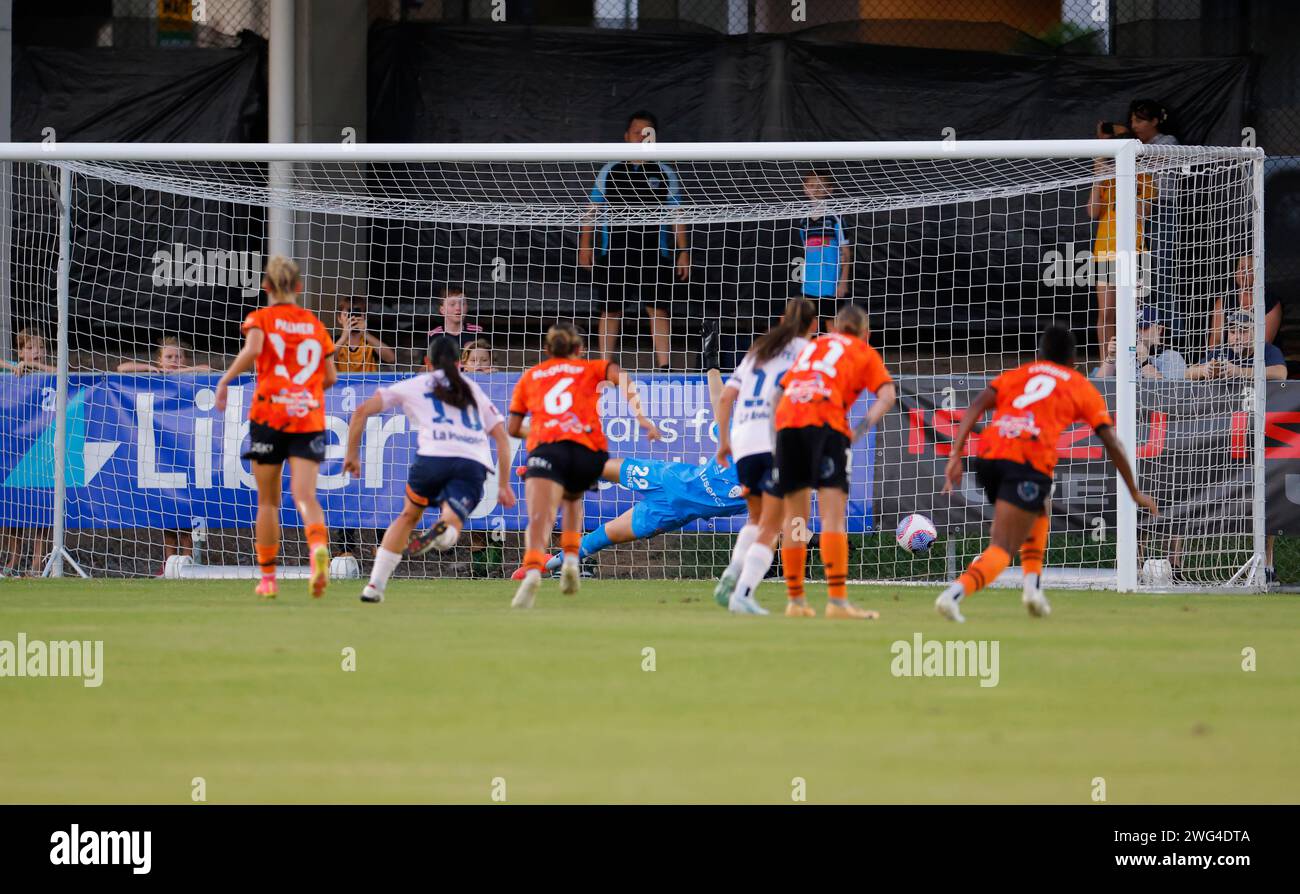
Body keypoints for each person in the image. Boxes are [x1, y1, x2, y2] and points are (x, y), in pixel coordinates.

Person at [936, 322, 1158, 623]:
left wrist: (955, 454)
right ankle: (952, 595)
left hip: (987, 457)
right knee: (1003, 547)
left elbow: (976, 405)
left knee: (1039, 509)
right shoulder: (1078, 384)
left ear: (1040, 355)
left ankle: (1032, 589)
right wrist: (1133, 491)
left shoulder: (1021, 373)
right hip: (1025, 462)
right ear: (1073, 360)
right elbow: (1112, 442)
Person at [507, 356, 748, 583]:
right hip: (665, 477)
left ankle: (546, 564)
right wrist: (712, 363)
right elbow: (719, 403)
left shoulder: (763, 488)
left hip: (668, 513)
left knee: (602, 537)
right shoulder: (739, 444)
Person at [343, 335, 515, 603]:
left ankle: (374, 586)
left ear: (427, 362)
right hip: (469, 463)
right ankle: (443, 530)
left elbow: (360, 412)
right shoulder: (472, 388)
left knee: (407, 517)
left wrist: (352, 454)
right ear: (459, 363)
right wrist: (503, 484)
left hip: (432, 460)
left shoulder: (415, 384)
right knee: (451, 521)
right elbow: (502, 438)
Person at [506, 322, 659, 608]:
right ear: (579, 349)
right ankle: (570, 559)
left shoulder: (531, 376)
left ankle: (533, 570)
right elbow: (621, 376)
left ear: (547, 350)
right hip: (586, 450)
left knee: (540, 515)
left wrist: (541, 431)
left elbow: (513, 427)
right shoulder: (589, 368)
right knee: (573, 502)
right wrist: (641, 418)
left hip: (547, 448)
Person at [214, 256, 338, 599]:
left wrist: (225, 380)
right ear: (298, 286)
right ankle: (317, 549)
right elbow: (330, 376)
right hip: (307, 418)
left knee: (268, 502)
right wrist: (303, 392)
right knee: (306, 496)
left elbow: (253, 349)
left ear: (266, 286)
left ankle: (268, 579)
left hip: (269, 417)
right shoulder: (314, 325)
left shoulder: (262, 318)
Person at [773, 303, 896, 619]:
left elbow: (779, 392)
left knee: (795, 518)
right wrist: (860, 429)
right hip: (826, 426)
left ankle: (795, 601)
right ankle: (837, 602)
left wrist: (778, 433)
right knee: (832, 518)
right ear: (865, 333)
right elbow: (887, 395)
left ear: (834, 328)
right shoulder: (863, 351)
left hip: (788, 424)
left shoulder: (814, 346)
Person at [714, 297, 819, 614]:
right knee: (775, 525)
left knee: (757, 519)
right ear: (814, 325)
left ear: (783, 319)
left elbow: (726, 397)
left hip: (744, 441)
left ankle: (733, 573)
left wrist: (723, 441)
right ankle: (743, 593)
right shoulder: (809, 352)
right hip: (776, 440)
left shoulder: (759, 349)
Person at [579, 111, 690, 370]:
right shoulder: (611, 170)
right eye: (636, 132)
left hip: (654, 251)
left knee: (657, 308)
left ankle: (664, 367)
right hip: (615, 250)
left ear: (654, 138)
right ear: (626, 136)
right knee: (610, 309)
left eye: (646, 132)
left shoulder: (664, 173)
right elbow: (591, 209)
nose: (641, 137)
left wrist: (684, 251)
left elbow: (677, 214)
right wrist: (585, 244)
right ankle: (604, 365)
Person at [1088, 121, 1157, 357]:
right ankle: (1107, 363)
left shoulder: (1144, 177)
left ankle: (1131, 360)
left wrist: (1128, 179)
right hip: (1105, 250)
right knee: (1106, 312)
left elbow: (1143, 212)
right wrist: (1098, 175)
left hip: (1134, 250)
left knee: (1131, 312)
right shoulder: (1105, 177)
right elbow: (1092, 211)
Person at [796, 170, 851, 321]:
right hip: (808, 285)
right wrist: (800, 278)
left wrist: (843, 282)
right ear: (805, 189)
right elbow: (804, 252)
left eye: (821, 186)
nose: (816, 189)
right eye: (811, 185)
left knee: (831, 324)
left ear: (829, 190)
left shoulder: (835, 218)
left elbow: (846, 253)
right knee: (808, 324)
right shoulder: (803, 221)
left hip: (830, 284)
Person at [1187, 310, 1287, 381]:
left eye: (1243, 332)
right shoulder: (1222, 351)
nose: (1237, 337)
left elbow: (1281, 373)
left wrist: (1240, 372)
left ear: (1255, 333)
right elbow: (1187, 373)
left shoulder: (1267, 350)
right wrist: (1204, 370)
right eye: (1232, 332)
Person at [1209, 255, 1282, 351]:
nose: (1244, 273)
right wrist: (1216, 358)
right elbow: (1215, 340)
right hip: (1228, 356)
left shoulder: (1270, 301)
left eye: (1249, 268)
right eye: (1241, 268)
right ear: (1235, 273)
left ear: (1258, 272)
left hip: (1259, 357)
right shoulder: (1224, 300)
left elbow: (1264, 342)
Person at [1092, 306, 1187, 380]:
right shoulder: (1125, 356)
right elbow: (1099, 387)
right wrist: (1111, 358)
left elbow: (1167, 393)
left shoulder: (1172, 357)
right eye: (1135, 328)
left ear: (1159, 329)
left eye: (1143, 327)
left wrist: (1144, 362)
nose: (1138, 332)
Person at [334, 297, 396, 372]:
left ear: (365, 317)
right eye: (347, 315)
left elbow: (391, 359)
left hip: (368, 380)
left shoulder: (371, 342)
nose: (352, 318)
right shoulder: (334, 341)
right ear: (339, 319)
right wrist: (343, 337)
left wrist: (365, 334)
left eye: (357, 314)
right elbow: (326, 360)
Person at [116, 337, 212, 373]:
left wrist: (180, 371)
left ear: (185, 360)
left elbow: (207, 369)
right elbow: (121, 368)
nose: (174, 360)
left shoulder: (190, 373)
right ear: (160, 361)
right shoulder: (156, 372)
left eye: (178, 356)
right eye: (169, 357)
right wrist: (147, 367)